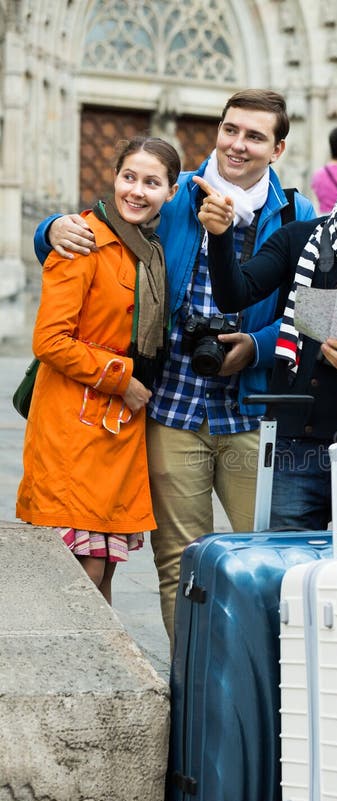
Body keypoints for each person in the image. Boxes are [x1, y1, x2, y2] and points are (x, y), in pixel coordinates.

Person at [33, 90, 317, 647]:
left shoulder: (298, 214)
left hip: (251, 412)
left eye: (255, 136)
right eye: (230, 129)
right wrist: (50, 228)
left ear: (277, 148)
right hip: (172, 408)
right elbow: (107, 224)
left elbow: (307, 312)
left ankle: (257, 697)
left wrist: (257, 345)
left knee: (267, 562)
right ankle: (192, 693)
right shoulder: (172, 192)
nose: (238, 143)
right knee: (180, 567)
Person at [197, 122, 337, 532]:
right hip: (292, 444)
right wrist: (219, 237)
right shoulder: (298, 238)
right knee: (288, 577)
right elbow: (236, 294)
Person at [17, 136, 181, 603]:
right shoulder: (81, 240)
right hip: (73, 428)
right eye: (129, 177)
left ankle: (101, 675)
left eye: (151, 182)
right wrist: (122, 378)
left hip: (115, 434)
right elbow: (50, 340)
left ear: (171, 192)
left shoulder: (151, 249)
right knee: (79, 575)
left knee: (103, 570)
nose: (136, 190)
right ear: (113, 177)